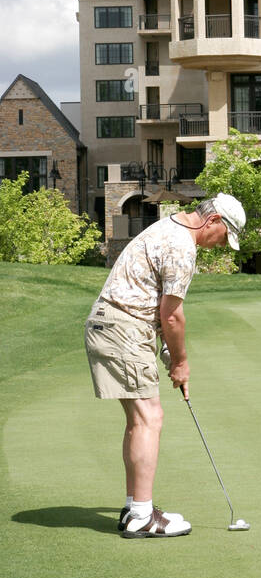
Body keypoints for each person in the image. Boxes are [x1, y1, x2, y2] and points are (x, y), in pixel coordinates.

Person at [84, 193, 246, 538]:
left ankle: (134, 507)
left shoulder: (167, 227)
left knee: (138, 420)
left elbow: (155, 303)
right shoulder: (183, 247)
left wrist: (169, 356)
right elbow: (172, 316)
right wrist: (182, 363)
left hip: (111, 323)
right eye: (224, 237)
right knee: (150, 418)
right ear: (213, 220)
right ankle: (143, 517)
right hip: (123, 327)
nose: (219, 246)